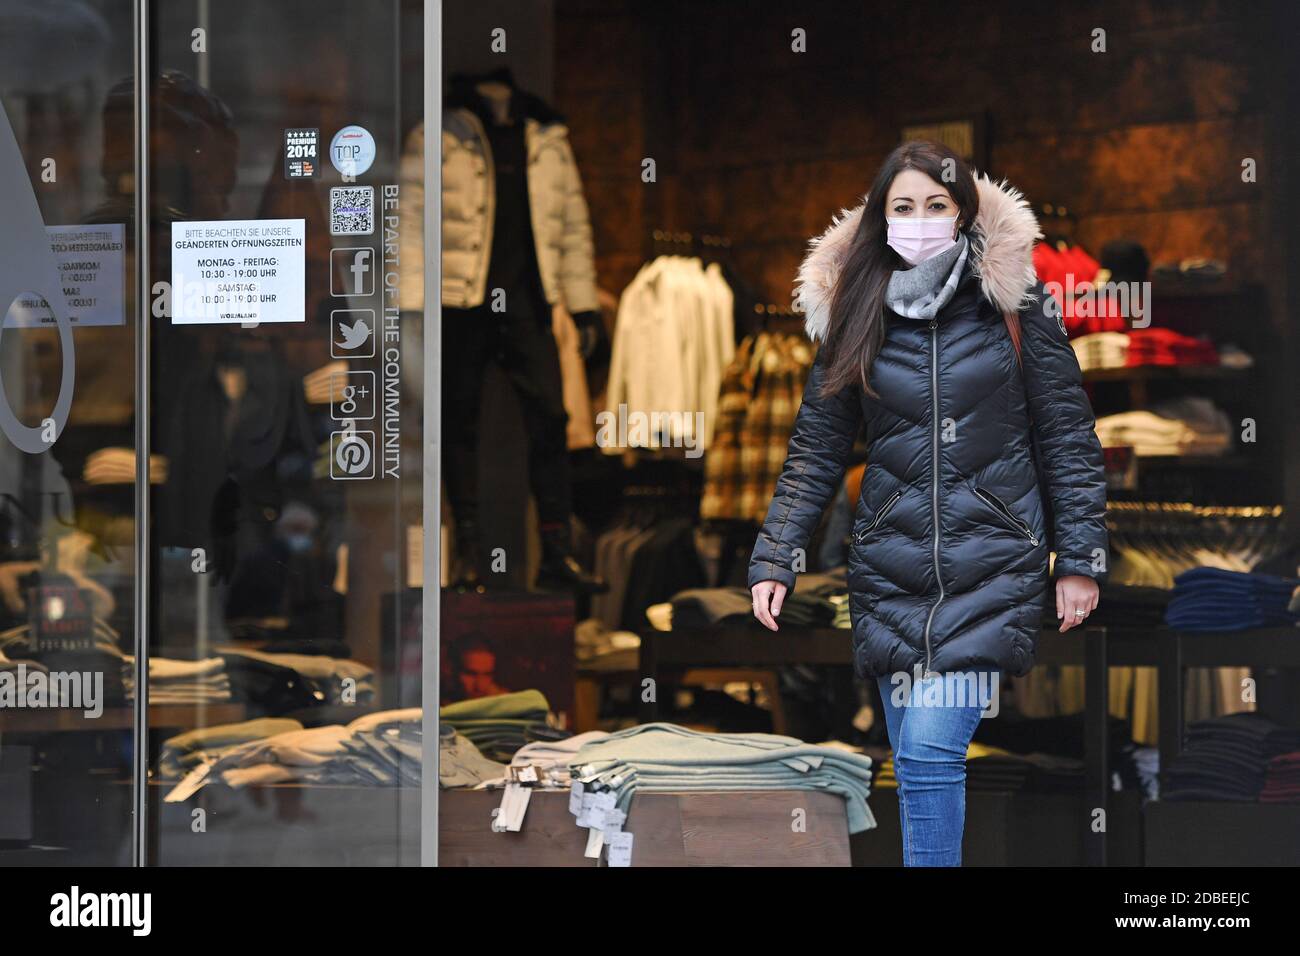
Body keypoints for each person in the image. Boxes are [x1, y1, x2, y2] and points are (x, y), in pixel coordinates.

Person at [749, 141, 1108, 866]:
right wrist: (777, 554)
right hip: (890, 569)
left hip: (993, 565)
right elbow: (817, 447)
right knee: (911, 762)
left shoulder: (1015, 304)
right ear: (881, 220)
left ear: (965, 212)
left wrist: (1079, 558)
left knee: (930, 752)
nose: (919, 221)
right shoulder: (856, 309)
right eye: (903, 208)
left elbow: (1068, 436)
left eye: (936, 206)